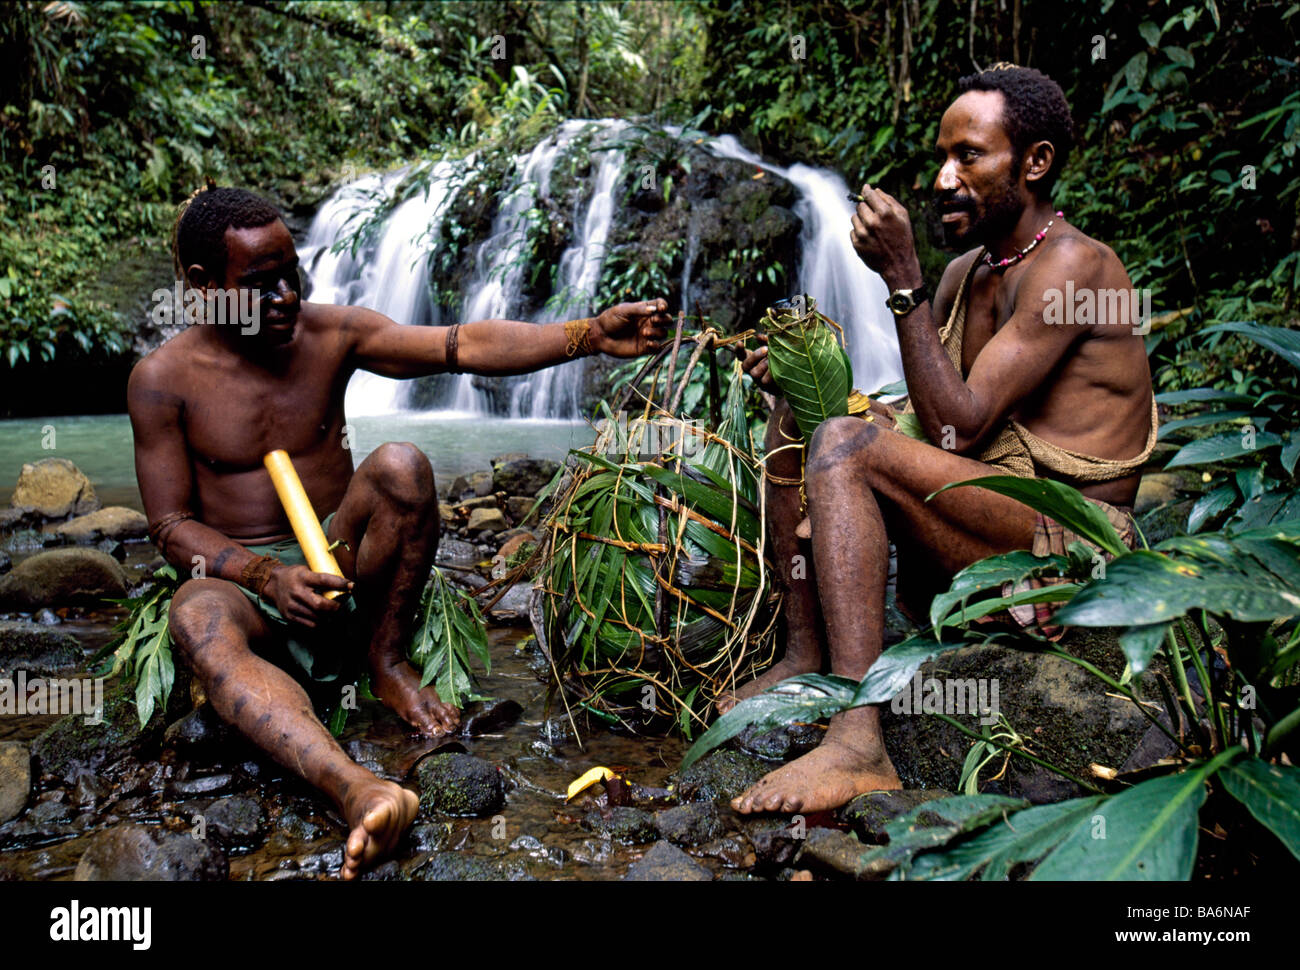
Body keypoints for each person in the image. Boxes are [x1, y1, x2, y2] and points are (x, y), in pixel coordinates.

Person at [128, 184, 670, 878]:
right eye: (260, 286)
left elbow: (463, 345)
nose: (287, 297)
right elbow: (171, 526)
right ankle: (358, 788)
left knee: (401, 466)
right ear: (204, 288)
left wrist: (587, 335)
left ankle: (384, 663)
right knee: (196, 614)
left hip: (344, 561)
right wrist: (265, 575)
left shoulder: (332, 335)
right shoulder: (161, 380)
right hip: (244, 583)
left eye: (291, 275)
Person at [729, 65, 1157, 814]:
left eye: (969, 156)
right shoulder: (969, 273)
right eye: (941, 156)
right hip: (987, 513)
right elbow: (928, 417)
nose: (942, 177)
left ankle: (860, 742)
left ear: (1035, 163)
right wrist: (805, 377)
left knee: (846, 445)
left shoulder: (1075, 268)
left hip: (1069, 540)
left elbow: (963, 421)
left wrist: (901, 279)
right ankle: (805, 657)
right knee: (808, 418)